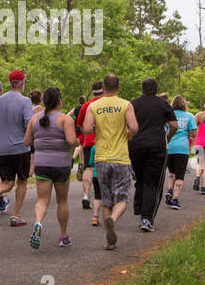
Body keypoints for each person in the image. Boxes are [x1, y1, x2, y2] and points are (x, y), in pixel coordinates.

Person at [81, 73, 138, 249]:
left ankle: (109, 239)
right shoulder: (126, 105)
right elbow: (134, 127)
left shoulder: (94, 106)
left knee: (106, 199)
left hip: (102, 158)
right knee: (121, 198)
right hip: (121, 158)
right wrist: (127, 136)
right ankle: (113, 219)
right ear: (118, 88)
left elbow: (86, 129)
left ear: (103, 88)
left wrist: (97, 128)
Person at [24, 87, 77, 249]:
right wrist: (77, 142)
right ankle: (63, 236)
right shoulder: (65, 120)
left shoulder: (34, 119)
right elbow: (71, 140)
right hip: (61, 165)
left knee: (42, 200)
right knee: (62, 201)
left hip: (42, 165)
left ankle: (38, 223)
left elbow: (27, 142)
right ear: (59, 100)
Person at [0, 69, 34, 226]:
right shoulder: (25, 101)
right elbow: (29, 124)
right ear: (22, 83)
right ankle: (16, 215)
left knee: (7, 182)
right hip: (20, 148)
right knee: (22, 181)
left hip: (2, 149)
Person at [129, 77, 177, 232]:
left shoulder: (133, 104)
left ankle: (139, 209)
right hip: (157, 147)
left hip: (136, 146)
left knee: (141, 179)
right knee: (153, 182)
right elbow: (173, 125)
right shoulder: (163, 104)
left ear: (142, 89)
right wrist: (168, 137)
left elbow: (127, 126)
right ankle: (147, 218)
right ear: (156, 89)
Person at [76, 81, 103, 224]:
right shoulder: (107, 103)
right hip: (105, 141)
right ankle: (105, 197)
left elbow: (79, 124)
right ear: (103, 90)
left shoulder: (86, 105)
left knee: (89, 167)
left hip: (89, 141)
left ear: (93, 91)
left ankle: (86, 195)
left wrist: (86, 134)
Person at [165, 94, 197, 210]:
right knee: (180, 175)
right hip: (182, 148)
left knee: (171, 173)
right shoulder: (189, 116)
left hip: (169, 146)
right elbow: (193, 133)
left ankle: (169, 190)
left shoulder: (168, 115)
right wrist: (187, 134)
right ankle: (175, 198)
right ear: (184, 104)